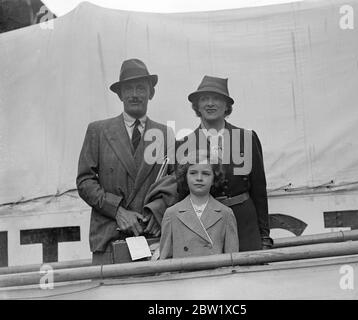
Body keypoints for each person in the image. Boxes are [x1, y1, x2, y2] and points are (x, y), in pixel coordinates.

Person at [77, 58, 176, 265]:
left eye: (141, 88)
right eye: (128, 88)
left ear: (151, 93)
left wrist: (156, 212)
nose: (134, 94)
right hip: (108, 238)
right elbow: (85, 181)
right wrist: (118, 211)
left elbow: (175, 182)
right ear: (120, 94)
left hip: (151, 238)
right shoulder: (98, 131)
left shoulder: (165, 134)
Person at [177, 75, 273, 252]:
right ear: (197, 106)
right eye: (204, 99)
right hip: (204, 225)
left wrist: (264, 236)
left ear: (227, 106)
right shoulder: (184, 144)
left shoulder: (247, 138)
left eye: (216, 98)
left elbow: (259, 191)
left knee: (249, 275)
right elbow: (182, 195)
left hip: (244, 223)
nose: (210, 104)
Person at [160, 151, 238, 259]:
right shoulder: (172, 214)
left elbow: (232, 260)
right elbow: (164, 262)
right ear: (185, 177)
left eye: (206, 173)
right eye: (193, 173)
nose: (199, 178)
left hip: (215, 275)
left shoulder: (226, 213)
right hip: (183, 275)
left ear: (214, 178)